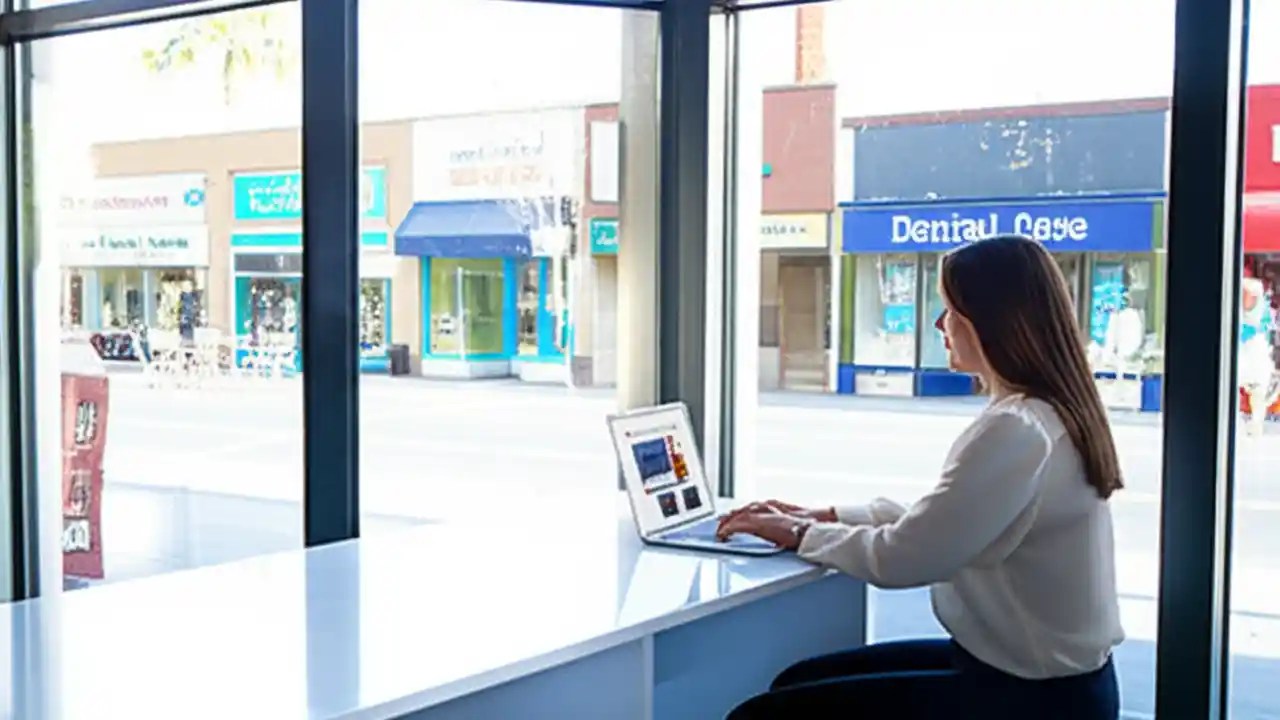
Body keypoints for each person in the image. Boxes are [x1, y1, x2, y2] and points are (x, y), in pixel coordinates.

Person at [718, 235, 1124, 720]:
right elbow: (950, 528)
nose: (939, 325)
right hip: (1055, 683)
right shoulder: (1051, 414)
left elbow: (905, 557)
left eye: (950, 311)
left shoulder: (1016, 429)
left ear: (991, 324)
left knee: (764, 715)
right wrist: (824, 515)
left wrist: (800, 533)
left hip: (1032, 699)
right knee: (796, 682)